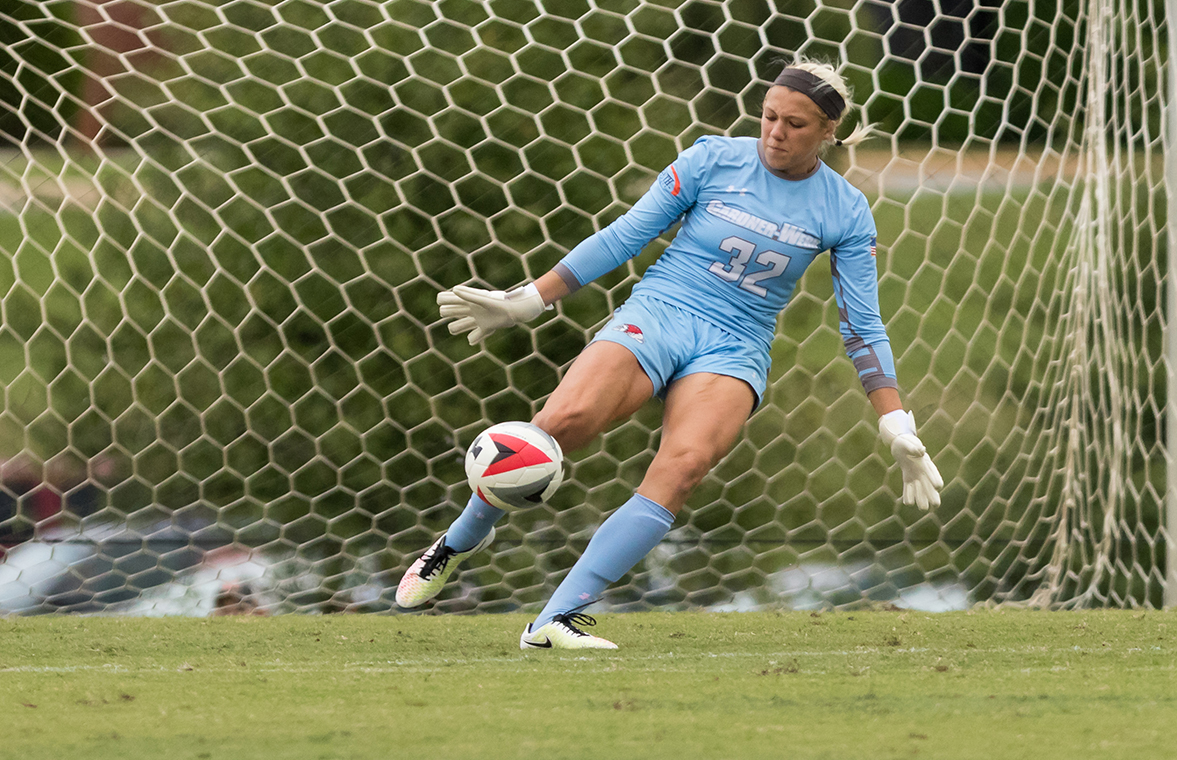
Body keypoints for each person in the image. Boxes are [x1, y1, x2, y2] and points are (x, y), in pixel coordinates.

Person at [396, 58, 944, 649]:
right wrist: (530, 299)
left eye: (795, 124)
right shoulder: (712, 158)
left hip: (736, 345)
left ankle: (555, 619)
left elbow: (861, 324)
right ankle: (461, 538)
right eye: (768, 116)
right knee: (560, 423)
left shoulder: (844, 209)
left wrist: (893, 421)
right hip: (660, 312)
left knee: (682, 467)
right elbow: (626, 235)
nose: (775, 132)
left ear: (828, 132)